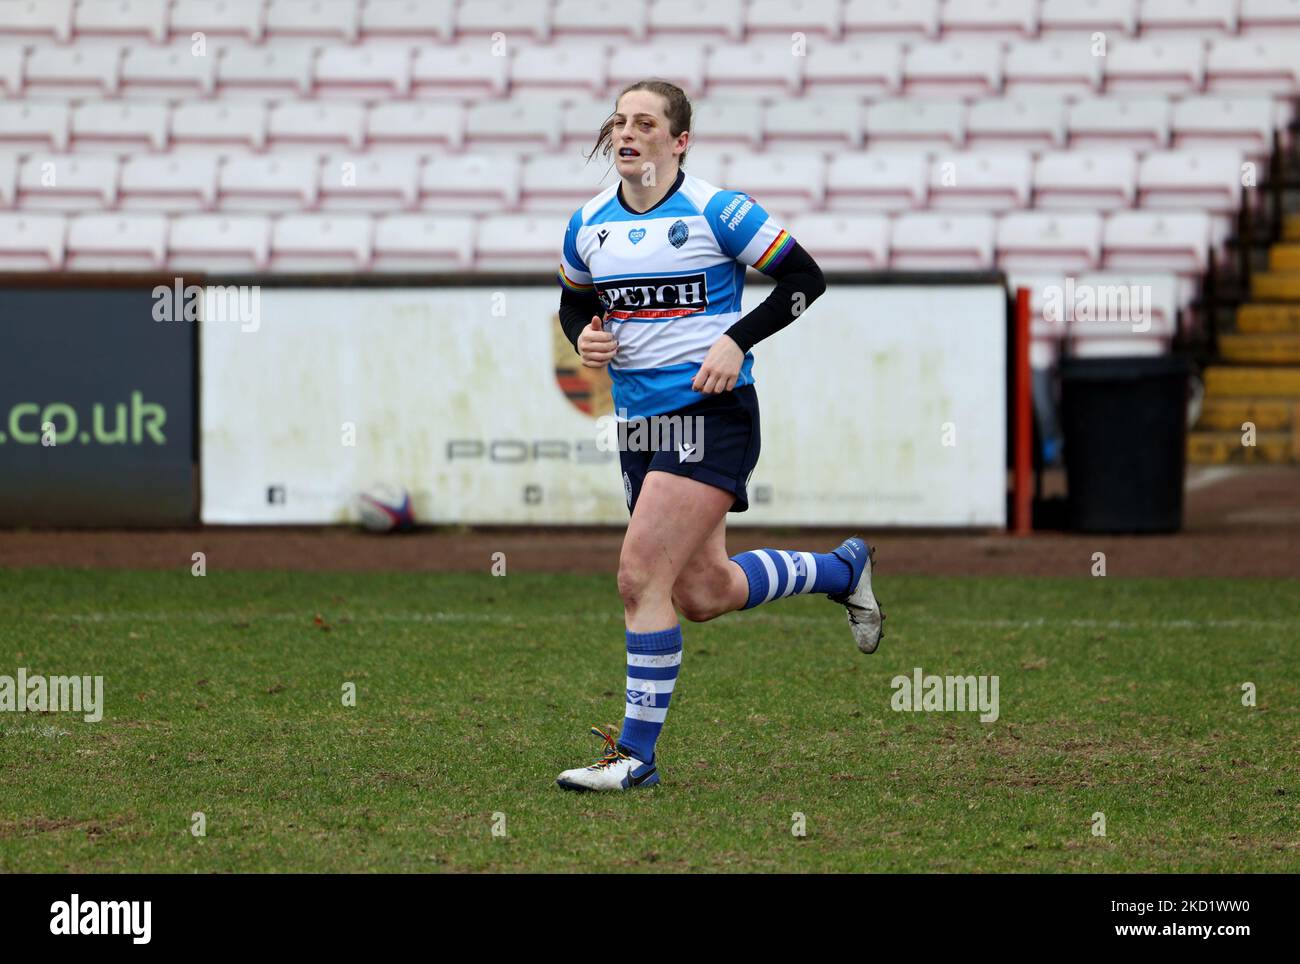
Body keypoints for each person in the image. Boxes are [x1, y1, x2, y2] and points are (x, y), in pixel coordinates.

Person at [553, 79, 884, 792]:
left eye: (645, 122)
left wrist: (737, 339)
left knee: (639, 576)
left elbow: (804, 277)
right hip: (640, 426)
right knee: (703, 591)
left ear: (679, 141)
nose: (626, 133)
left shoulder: (716, 209)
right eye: (619, 121)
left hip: (712, 416)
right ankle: (843, 570)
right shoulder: (587, 224)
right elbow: (573, 303)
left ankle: (634, 758)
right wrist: (586, 338)